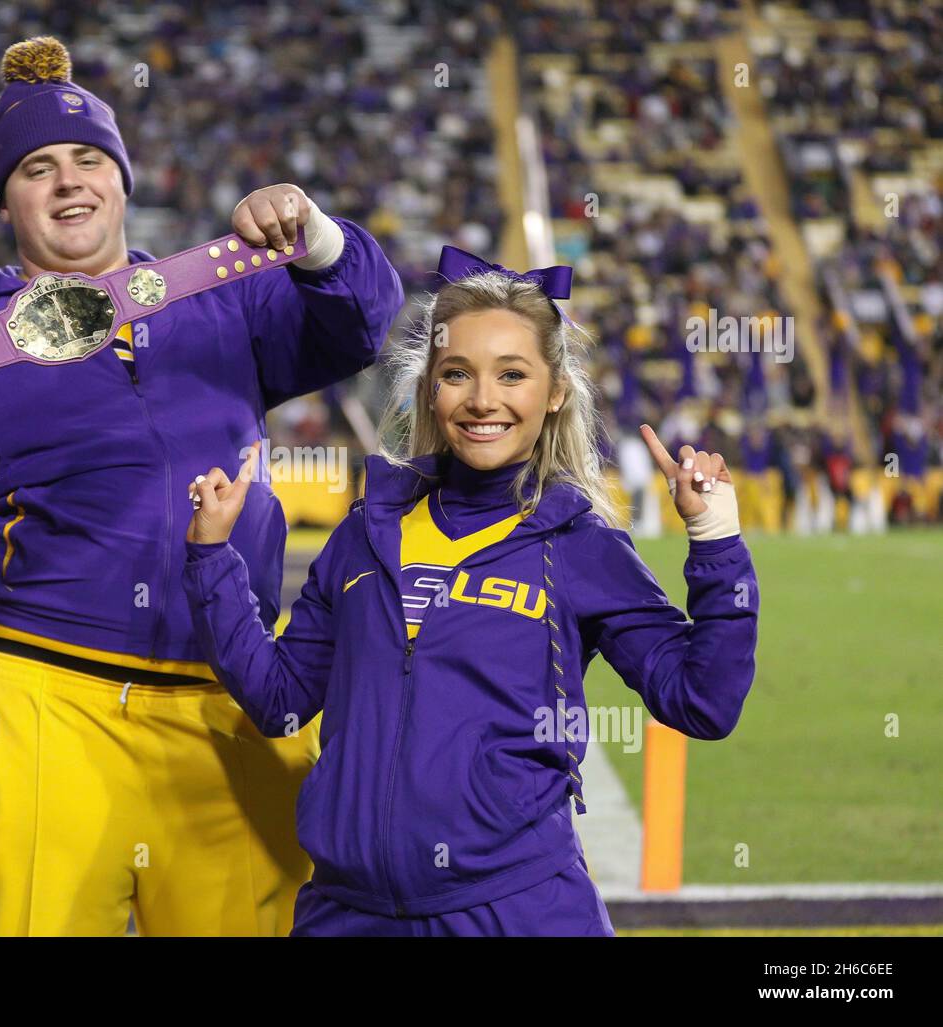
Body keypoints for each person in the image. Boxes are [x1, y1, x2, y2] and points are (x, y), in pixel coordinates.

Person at [0, 36, 405, 936]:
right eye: (38, 168)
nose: (70, 181)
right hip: (44, 706)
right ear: (3, 200)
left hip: (230, 704)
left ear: (122, 180)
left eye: (88, 160)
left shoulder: (221, 296)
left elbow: (363, 320)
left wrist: (314, 234)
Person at [181, 249, 758, 936]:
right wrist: (212, 557)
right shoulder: (366, 531)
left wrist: (716, 540)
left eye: (512, 374)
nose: (483, 400)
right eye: (457, 374)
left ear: (554, 392)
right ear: (431, 389)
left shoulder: (580, 544)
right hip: (349, 913)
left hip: (516, 911)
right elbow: (279, 700)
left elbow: (703, 699)